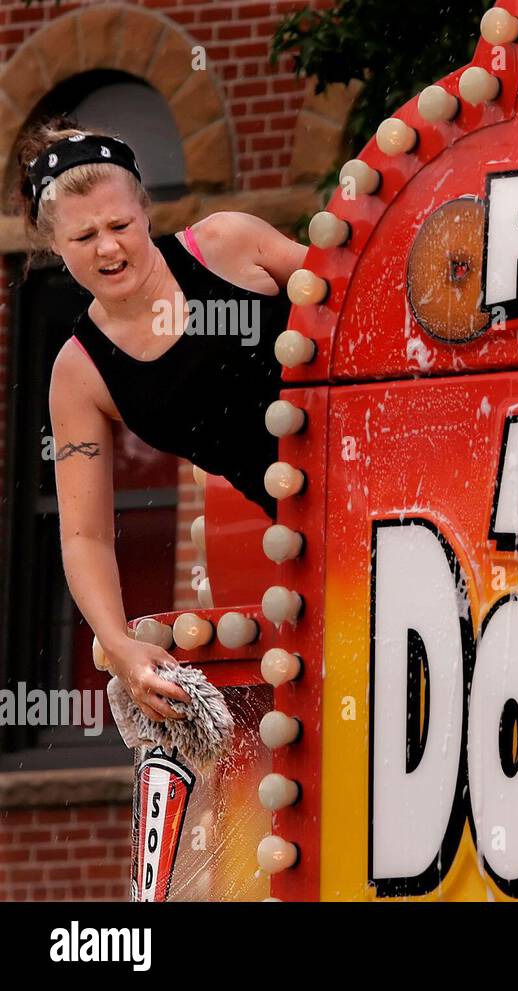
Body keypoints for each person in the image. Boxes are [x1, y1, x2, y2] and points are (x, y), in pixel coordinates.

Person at [17, 119, 310, 723]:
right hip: (310, 527)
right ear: (53, 247)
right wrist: (120, 645)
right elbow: (84, 535)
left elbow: (365, 301)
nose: (108, 247)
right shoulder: (79, 373)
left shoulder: (228, 245)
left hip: (394, 454)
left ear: (146, 211)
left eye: (120, 225)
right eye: (84, 236)